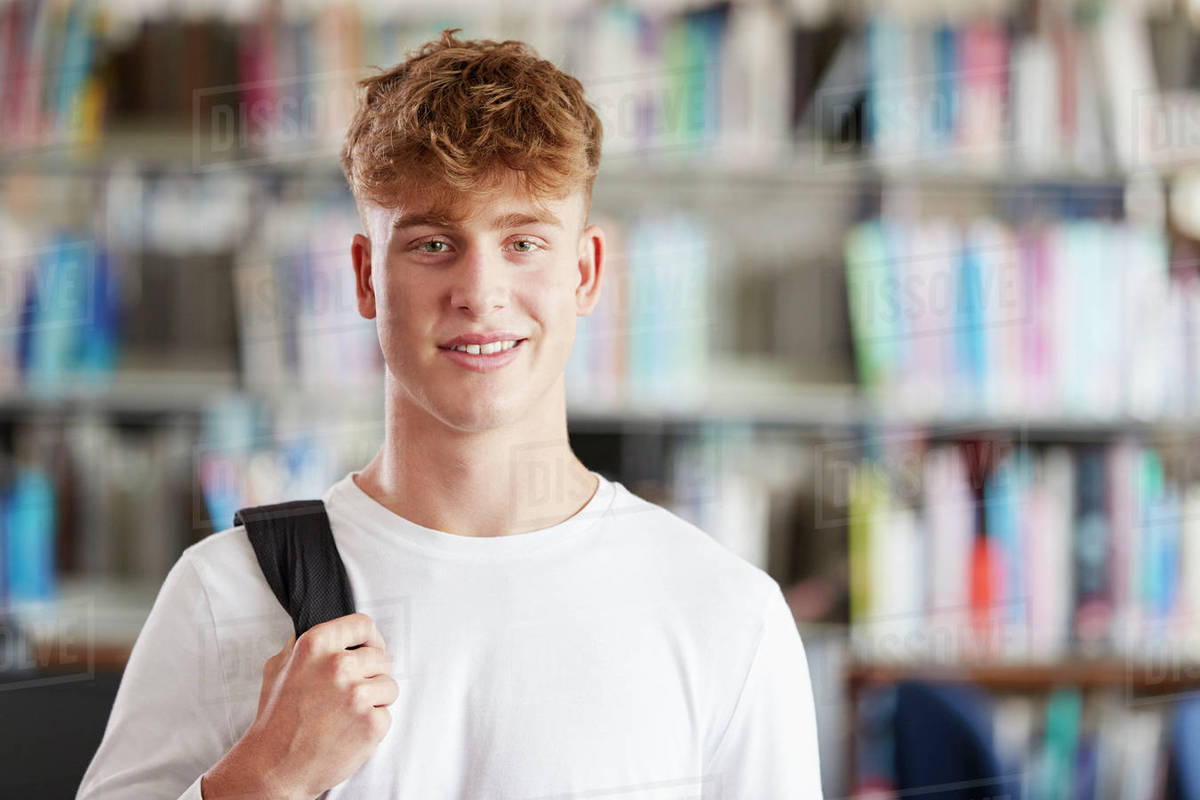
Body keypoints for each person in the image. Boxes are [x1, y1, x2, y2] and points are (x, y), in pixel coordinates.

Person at [77, 29, 823, 799]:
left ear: (586, 273)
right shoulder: (226, 593)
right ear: (366, 277)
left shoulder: (724, 612)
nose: (481, 293)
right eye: (434, 244)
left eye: (524, 241)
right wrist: (261, 781)